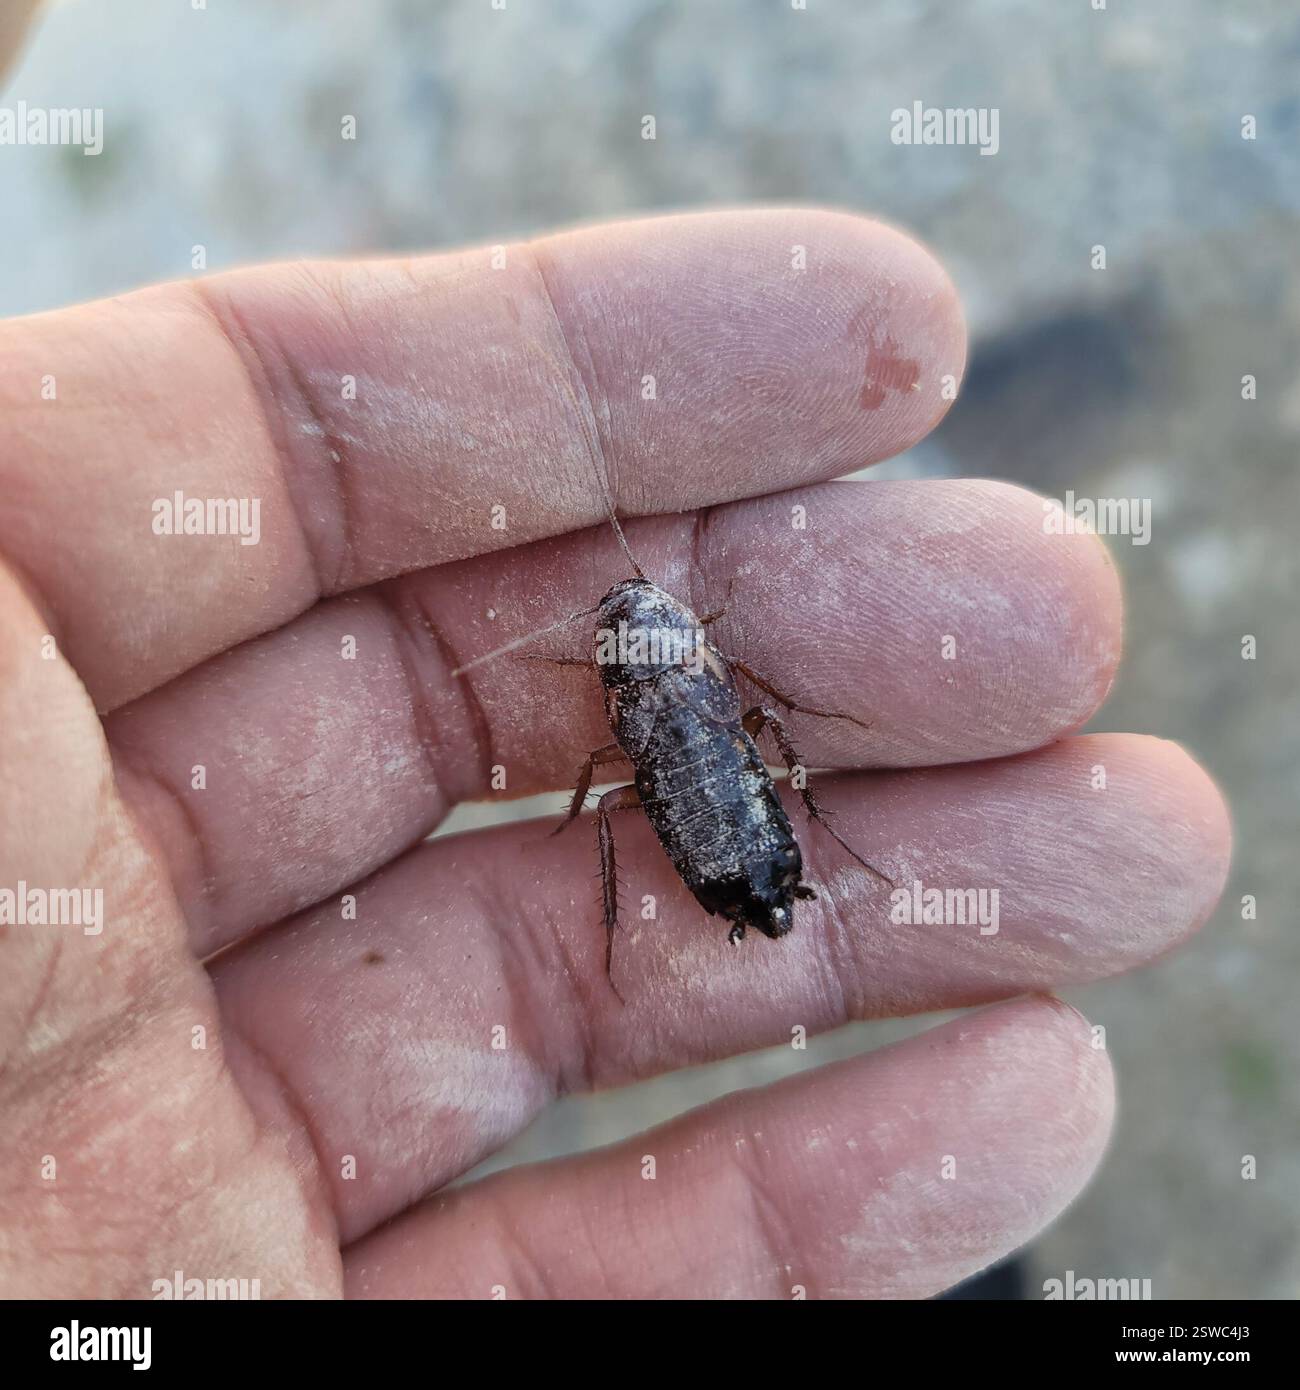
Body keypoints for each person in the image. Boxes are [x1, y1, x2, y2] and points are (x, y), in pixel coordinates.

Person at [0, 203, 1230, 1298]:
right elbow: (685, 734)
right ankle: (775, 890)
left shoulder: (653, 684)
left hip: (709, 803)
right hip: (719, 800)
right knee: (715, 790)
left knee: (695, 797)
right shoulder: (688, 663)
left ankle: (773, 882)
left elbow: (634, 763)